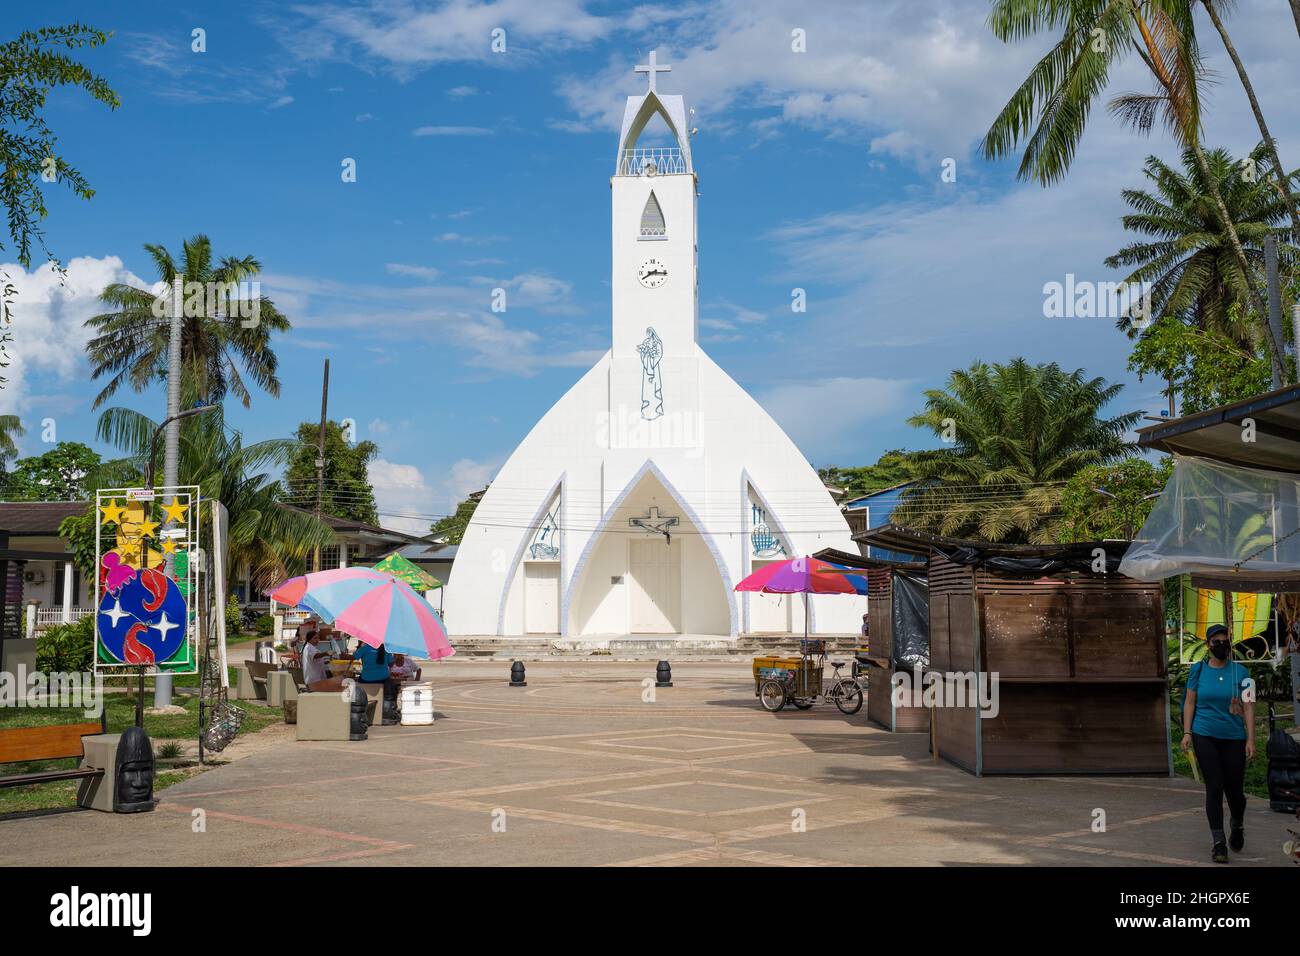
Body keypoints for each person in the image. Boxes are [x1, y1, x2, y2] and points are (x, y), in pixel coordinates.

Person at [1181, 623, 1255, 863]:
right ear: (1208, 645)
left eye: (1225, 641)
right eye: (1216, 642)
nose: (1221, 645)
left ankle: (1238, 823)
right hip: (1205, 734)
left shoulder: (1242, 673)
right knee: (1214, 786)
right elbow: (1190, 703)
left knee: (1235, 791)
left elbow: (1249, 707)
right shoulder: (1198, 671)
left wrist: (1251, 738)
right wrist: (1187, 732)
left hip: (1234, 737)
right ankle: (1219, 842)